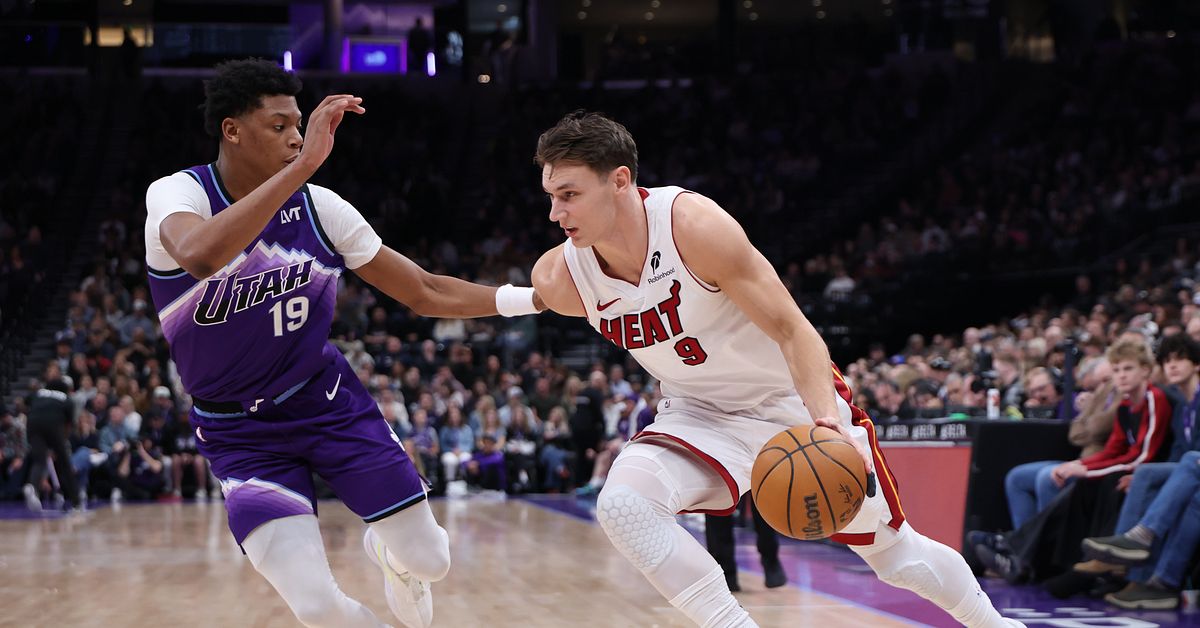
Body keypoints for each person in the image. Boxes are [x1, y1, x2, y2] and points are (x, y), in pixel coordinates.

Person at [530, 111, 1022, 628]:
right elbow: (503, 300)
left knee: (897, 558)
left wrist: (826, 421)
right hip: (697, 414)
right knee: (624, 504)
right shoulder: (564, 275)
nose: (555, 212)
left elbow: (793, 329)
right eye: (550, 196)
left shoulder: (691, 227)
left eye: (569, 194)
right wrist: (463, 297)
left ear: (619, 180)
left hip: (787, 404)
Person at [143, 59, 540, 628]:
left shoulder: (321, 209)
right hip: (238, 432)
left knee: (432, 559)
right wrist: (305, 164)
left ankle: (390, 554)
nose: (296, 137)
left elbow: (424, 290)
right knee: (316, 607)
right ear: (232, 130)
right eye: (278, 126)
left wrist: (533, 299)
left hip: (326, 403)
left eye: (297, 125)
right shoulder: (181, 194)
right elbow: (200, 256)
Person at [1081, 334, 1200, 609]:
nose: (1172, 366)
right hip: (1191, 471)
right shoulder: (1183, 407)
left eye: (1180, 359)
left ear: (1196, 364)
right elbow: (1176, 454)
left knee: (1187, 469)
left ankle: (1141, 543)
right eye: (1167, 361)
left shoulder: (1172, 399)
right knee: (1147, 475)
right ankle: (1140, 575)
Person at [22, 378, 82, 512]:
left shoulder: (38, 393)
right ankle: (76, 502)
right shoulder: (67, 399)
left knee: (39, 461)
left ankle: (32, 486)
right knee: (64, 463)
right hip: (54, 425)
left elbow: (24, 403)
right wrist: (60, 443)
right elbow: (69, 425)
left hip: (33, 423)